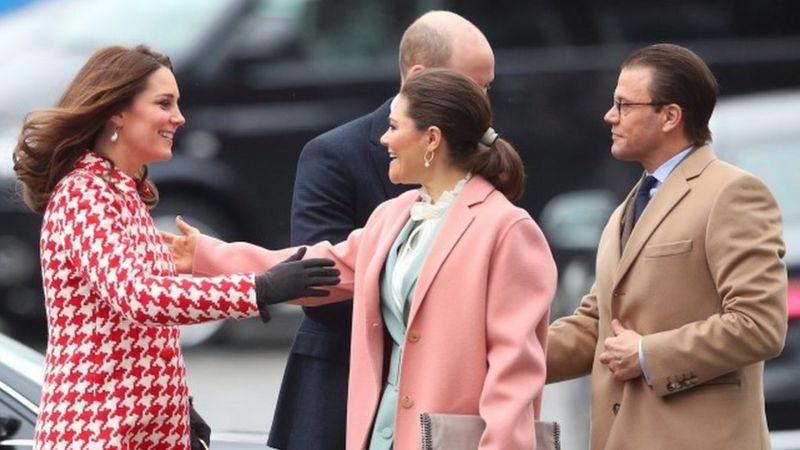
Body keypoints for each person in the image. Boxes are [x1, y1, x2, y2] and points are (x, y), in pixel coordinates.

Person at [167, 68, 557, 450]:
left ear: (432, 139)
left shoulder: (507, 229)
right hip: (382, 433)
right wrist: (208, 254)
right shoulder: (396, 214)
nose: (384, 139)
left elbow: (514, 375)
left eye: (394, 126)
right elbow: (315, 266)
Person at [11, 44, 339, 450]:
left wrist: (175, 405)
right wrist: (258, 289)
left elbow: (133, 334)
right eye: (164, 103)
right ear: (116, 110)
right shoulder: (85, 194)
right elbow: (140, 296)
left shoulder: (120, 193)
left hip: (137, 429)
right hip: (98, 434)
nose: (179, 118)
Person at [546, 43, 787, 449]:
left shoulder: (732, 193)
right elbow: (596, 324)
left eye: (623, 105)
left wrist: (645, 354)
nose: (610, 116)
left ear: (670, 116)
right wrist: (499, 356)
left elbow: (759, 325)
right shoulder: (629, 205)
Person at [273, 10, 495, 450]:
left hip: (439, 404)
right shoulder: (335, 154)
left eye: (487, 89)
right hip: (338, 393)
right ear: (419, 76)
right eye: (472, 86)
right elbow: (318, 282)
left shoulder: (484, 157)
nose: (484, 104)